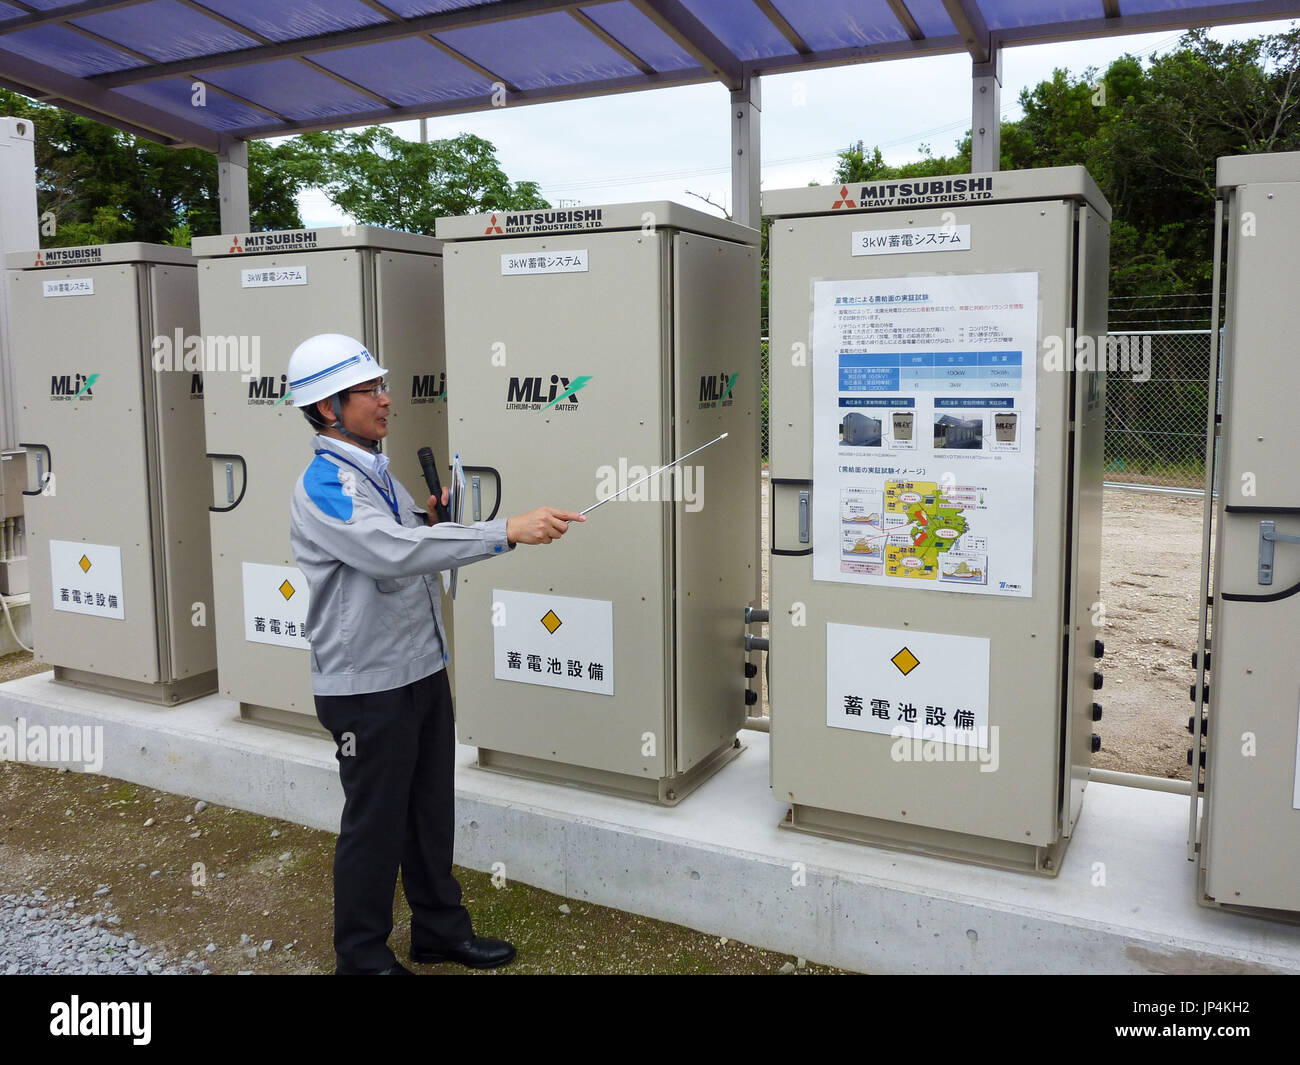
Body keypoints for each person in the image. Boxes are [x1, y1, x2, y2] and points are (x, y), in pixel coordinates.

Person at [286, 333, 583, 975]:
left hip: (418, 667)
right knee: (374, 823)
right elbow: (388, 553)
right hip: (366, 686)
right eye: (369, 391)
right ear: (328, 408)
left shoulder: (373, 471)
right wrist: (504, 531)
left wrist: (427, 521)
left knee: (428, 810)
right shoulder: (326, 482)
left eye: (381, 386)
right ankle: (361, 954)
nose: (386, 400)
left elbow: (400, 539)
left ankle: (439, 931)